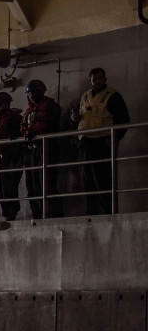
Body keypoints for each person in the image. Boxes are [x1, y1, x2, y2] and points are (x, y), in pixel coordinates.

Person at [70, 67, 129, 215]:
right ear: (90, 80)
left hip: (101, 143)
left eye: (100, 78)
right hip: (85, 144)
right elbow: (78, 117)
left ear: (105, 79)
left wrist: (112, 139)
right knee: (87, 181)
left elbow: (123, 121)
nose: (98, 81)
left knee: (102, 181)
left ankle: (106, 213)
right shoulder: (85, 96)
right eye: (95, 79)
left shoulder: (113, 96)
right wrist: (74, 119)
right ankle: (91, 214)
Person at [20, 79, 61, 218]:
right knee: (32, 185)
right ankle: (37, 213)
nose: (33, 95)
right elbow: (24, 127)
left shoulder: (51, 106)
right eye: (31, 92)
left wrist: (38, 134)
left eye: (35, 92)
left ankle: (53, 214)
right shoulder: (29, 111)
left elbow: (54, 125)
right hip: (32, 151)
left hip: (46, 149)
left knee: (46, 183)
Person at [0, 92, 24, 221]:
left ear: (5, 104)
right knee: (2, 188)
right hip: (4, 156)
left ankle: (11, 214)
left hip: (12, 156)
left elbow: (17, 136)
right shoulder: (3, 119)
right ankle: (7, 213)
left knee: (9, 187)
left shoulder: (14, 118)